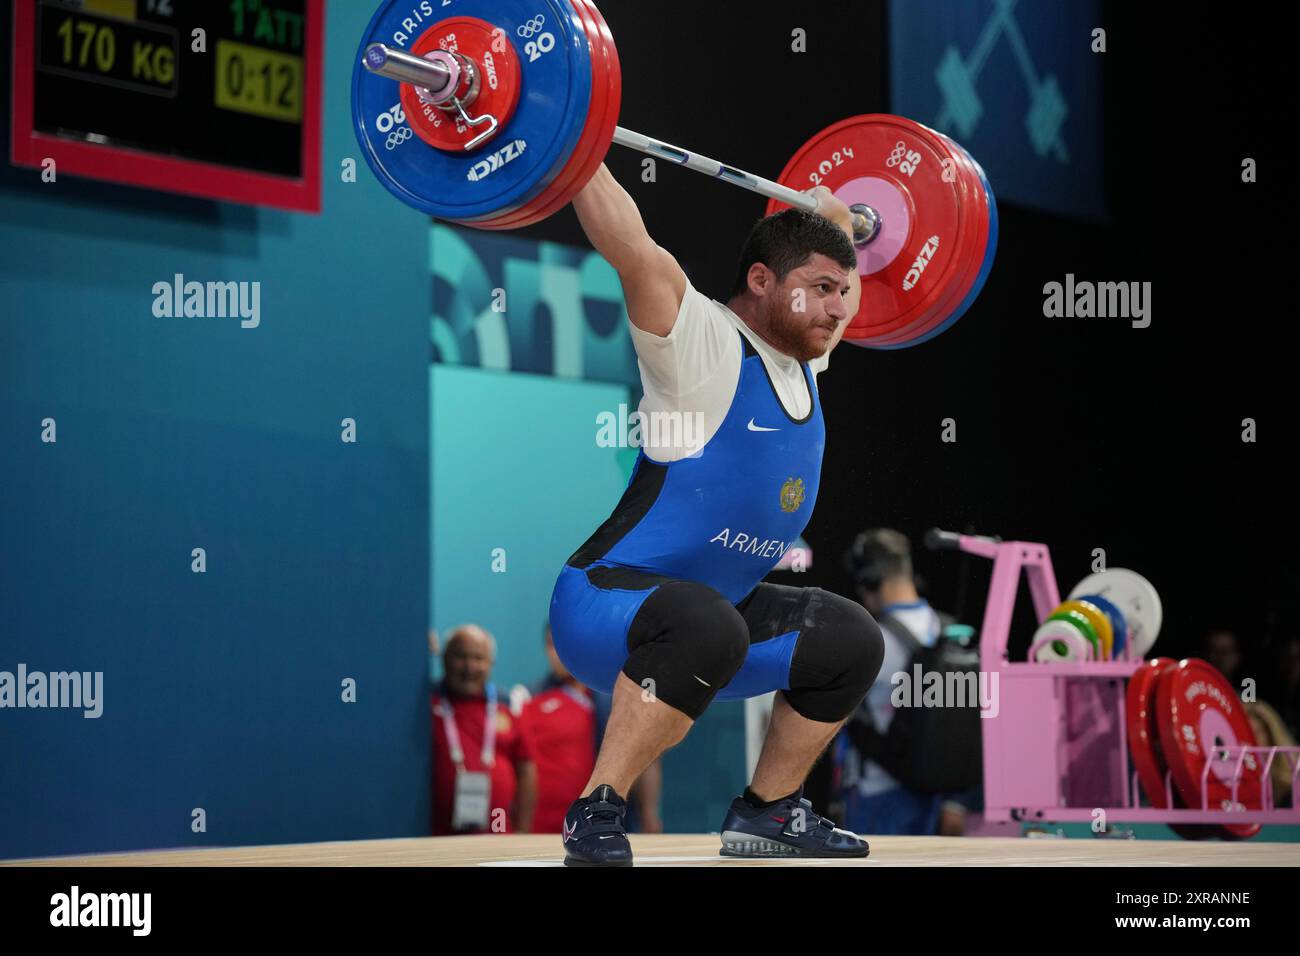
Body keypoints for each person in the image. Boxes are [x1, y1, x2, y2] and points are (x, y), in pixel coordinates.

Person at [547, 164, 885, 866]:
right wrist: (573, 148)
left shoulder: (804, 366)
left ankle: (766, 814)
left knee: (849, 639)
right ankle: (596, 809)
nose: (836, 308)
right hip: (603, 602)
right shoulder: (699, 341)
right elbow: (631, 246)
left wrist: (847, 226)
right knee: (711, 621)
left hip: (715, 623)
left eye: (842, 293)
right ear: (762, 280)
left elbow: (848, 290)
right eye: (820, 289)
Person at [521, 625, 663, 834]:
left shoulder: (616, 697)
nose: (557, 653)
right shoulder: (529, 697)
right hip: (545, 827)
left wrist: (648, 815)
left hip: (610, 817)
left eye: (562, 645)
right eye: (551, 645)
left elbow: (646, 758)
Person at [430, 625, 537, 835]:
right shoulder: (427, 704)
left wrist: (522, 831)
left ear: (491, 664)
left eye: (478, 659)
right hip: (436, 839)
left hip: (498, 836)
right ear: (444, 659)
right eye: (461, 657)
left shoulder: (509, 706)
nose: (470, 667)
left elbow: (526, 769)